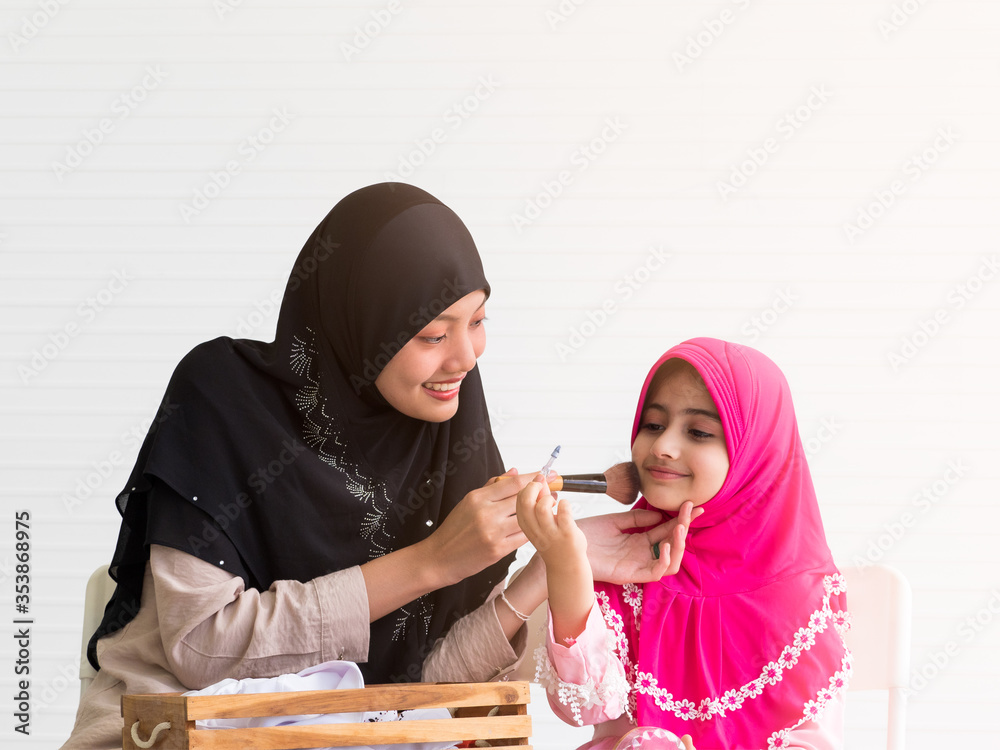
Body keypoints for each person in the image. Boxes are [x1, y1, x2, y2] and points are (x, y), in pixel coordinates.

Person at [61, 183, 683, 750]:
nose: (464, 357)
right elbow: (202, 648)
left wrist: (553, 566)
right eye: (432, 335)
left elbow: (415, 703)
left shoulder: (448, 433)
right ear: (361, 325)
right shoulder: (222, 399)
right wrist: (431, 562)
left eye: (478, 321)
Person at [517, 338, 852, 750]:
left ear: (757, 453)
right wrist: (569, 568)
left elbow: (814, 740)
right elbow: (581, 709)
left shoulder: (799, 593)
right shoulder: (626, 562)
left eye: (698, 431)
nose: (662, 447)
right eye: (653, 424)